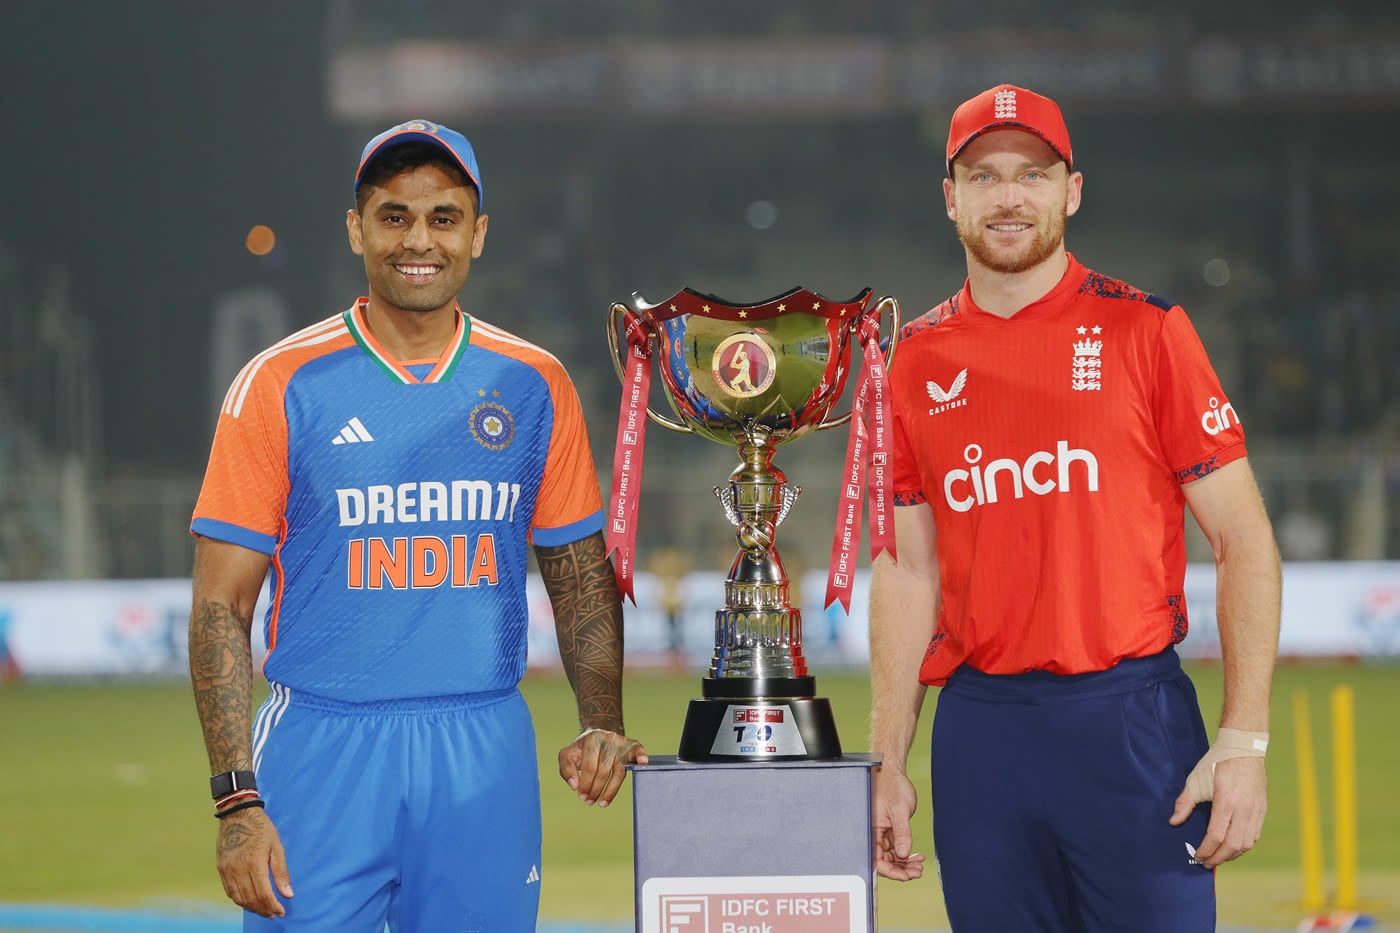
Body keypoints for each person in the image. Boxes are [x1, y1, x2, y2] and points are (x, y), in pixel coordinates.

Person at [188, 119, 647, 932]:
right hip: (323, 747)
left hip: (481, 746)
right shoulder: (280, 383)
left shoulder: (534, 381)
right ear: (357, 228)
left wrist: (601, 720)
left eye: (443, 216)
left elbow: (578, 570)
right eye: (394, 215)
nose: (418, 240)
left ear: (478, 233)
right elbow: (221, 607)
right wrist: (237, 798)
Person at [869, 85, 1281, 931]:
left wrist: (1244, 741)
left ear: (1073, 190)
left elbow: (1244, 538)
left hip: (1132, 721)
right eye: (983, 177)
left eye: (1032, 174)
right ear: (951, 198)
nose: (1009, 197)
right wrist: (886, 759)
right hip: (982, 734)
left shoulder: (1149, 332)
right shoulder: (909, 362)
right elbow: (909, 567)